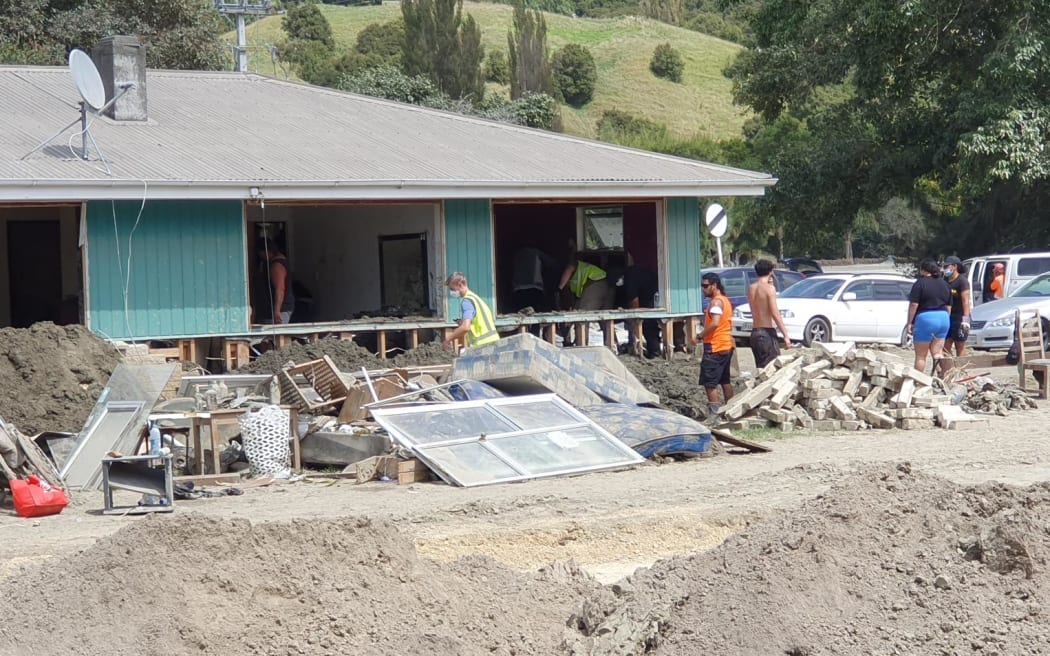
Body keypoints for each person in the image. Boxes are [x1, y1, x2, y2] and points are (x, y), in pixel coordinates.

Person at [695, 272, 734, 415]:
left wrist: (700, 335)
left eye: (705, 286)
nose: (703, 289)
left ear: (714, 285)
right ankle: (731, 411)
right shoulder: (724, 300)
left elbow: (715, 322)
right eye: (702, 286)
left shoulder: (716, 302)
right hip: (725, 345)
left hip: (715, 346)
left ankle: (715, 415)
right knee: (725, 380)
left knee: (709, 382)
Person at [906, 259, 951, 373]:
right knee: (938, 353)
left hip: (926, 318)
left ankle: (919, 382)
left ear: (923, 270)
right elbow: (949, 306)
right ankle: (944, 377)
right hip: (943, 317)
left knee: (921, 356)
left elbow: (914, 304)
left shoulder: (920, 283)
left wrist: (910, 322)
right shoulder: (945, 283)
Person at [747, 259, 791, 369]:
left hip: (755, 331)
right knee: (771, 369)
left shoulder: (751, 288)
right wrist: (785, 335)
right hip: (767, 332)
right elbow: (774, 312)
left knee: (760, 368)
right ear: (771, 271)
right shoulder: (769, 289)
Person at [442, 272, 499, 350]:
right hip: (494, 343)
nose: (452, 292)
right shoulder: (476, 298)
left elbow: (465, 327)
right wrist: (463, 322)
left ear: (460, 285)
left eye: (452, 289)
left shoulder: (467, 301)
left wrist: (447, 340)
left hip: (483, 346)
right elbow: (479, 322)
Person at [621, 265, 660, 358]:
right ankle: (654, 349)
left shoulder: (630, 278)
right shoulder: (638, 273)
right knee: (651, 325)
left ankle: (653, 351)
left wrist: (637, 316)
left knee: (648, 325)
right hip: (657, 294)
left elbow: (634, 301)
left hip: (651, 299)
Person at [942, 255, 972, 368]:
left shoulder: (962, 281)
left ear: (955, 266)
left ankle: (961, 370)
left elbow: (965, 301)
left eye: (947, 266)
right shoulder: (944, 280)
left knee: (960, 345)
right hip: (947, 316)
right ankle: (947, 370)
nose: (945, 268)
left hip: (959, 317)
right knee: (945, 345)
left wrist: (966, 319)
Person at [511, 246, 559, 313]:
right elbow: (552, 264)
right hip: (534, 287)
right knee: (535, 313)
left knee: (521, 313)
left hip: (518, 288)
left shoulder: (517, 255)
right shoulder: (536, 252)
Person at [258, 239, 294, 324]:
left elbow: (280, 288)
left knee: (276, 334)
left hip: (281, 310)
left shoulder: (276, 265)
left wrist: (277, 310)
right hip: (275, 309)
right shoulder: (274, 262)